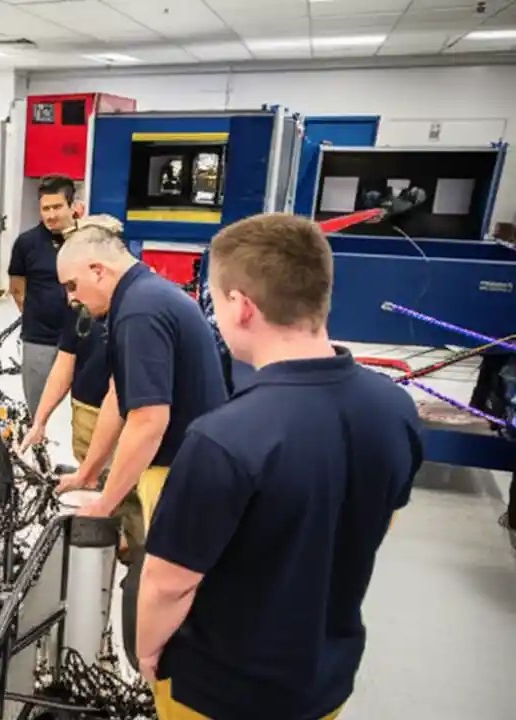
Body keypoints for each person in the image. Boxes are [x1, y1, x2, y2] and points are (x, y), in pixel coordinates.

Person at [137, 213, 422, 719]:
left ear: (241, 306)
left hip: (221, 694)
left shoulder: (225, 438)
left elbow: (169, 582)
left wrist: (146, 651)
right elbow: (378, 519)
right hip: (324, 682)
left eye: (215, 301)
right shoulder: (394, 408)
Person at [53, 215, 226, 544]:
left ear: (98, 270)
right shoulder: (140, 296)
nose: (70, 299)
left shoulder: (139, 312)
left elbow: (148, 420)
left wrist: (106, 503)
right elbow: (118, 397)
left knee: (157, 580)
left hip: (179, 473)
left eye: (72, 285)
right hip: (180, 466)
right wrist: (88, 474)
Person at [9, 174, 83, 411]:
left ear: (72, 206)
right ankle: (38, 447)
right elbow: (17, 289)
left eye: (57, 207)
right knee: (38, 409)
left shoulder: (87, 241)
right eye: (45, 208)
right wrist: (36, 315)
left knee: (84, 409)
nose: (51, 215)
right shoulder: (26, 243)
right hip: (39, 340)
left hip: (83, 341)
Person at [20, 305, 110, 473]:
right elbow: (65, 361)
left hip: (123, 423)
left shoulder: (133, 311)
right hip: (84, 415)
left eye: (72, 286)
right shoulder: (79, 306)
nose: (68, 298)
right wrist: (39, 422)